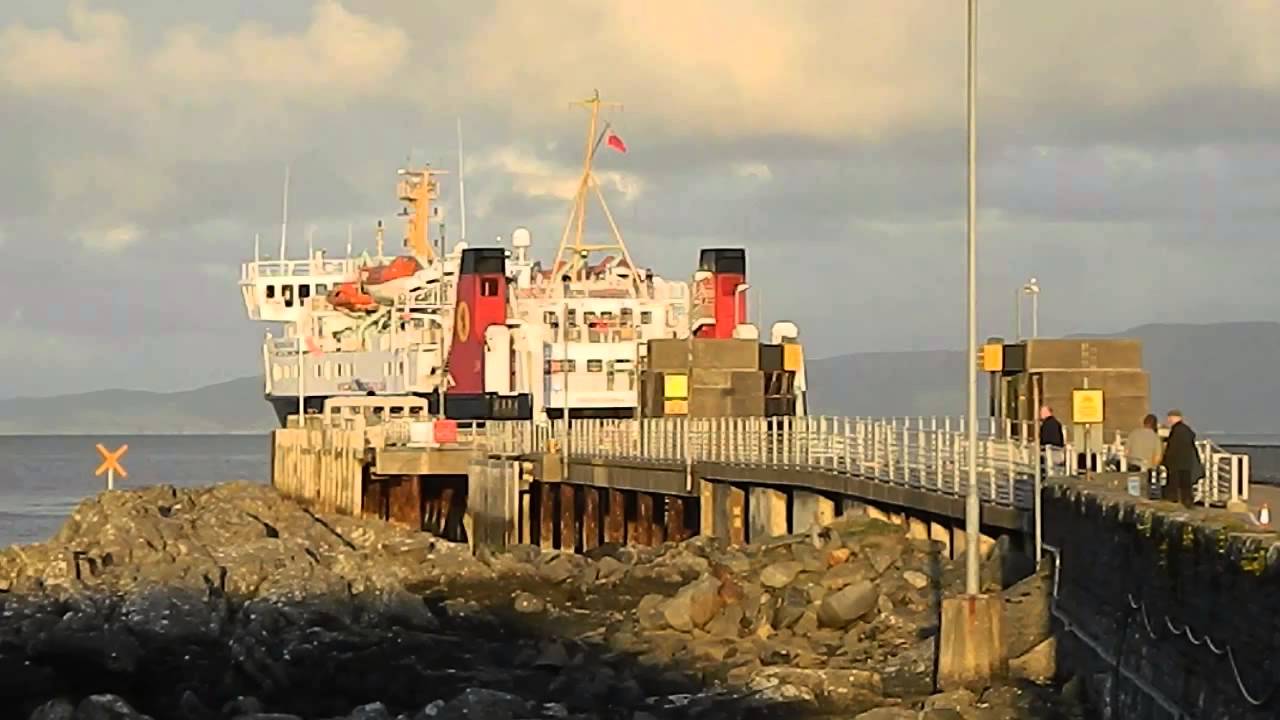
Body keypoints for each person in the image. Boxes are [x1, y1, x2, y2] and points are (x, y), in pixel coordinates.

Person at [1161, 409, 1198, 507]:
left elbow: (1172, 448)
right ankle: (1188, 503)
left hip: (1175, 463)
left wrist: (1165, 461)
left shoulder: (1176, 430)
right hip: (1187, 462)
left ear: (1173, 418)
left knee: (1174, 486)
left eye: (1169, 418)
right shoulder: (1187, 430)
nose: (1168, 420)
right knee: (1186, 486)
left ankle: (1174, 502)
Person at [1039, 405, 1065, 470]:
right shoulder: (1056, 422)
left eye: (1042, 412)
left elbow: (1045, 438)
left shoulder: (1046, 424)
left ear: (1047, 412)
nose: (1040, 414)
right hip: (1057, 451)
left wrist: (1041, 447)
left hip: (1050, 451)